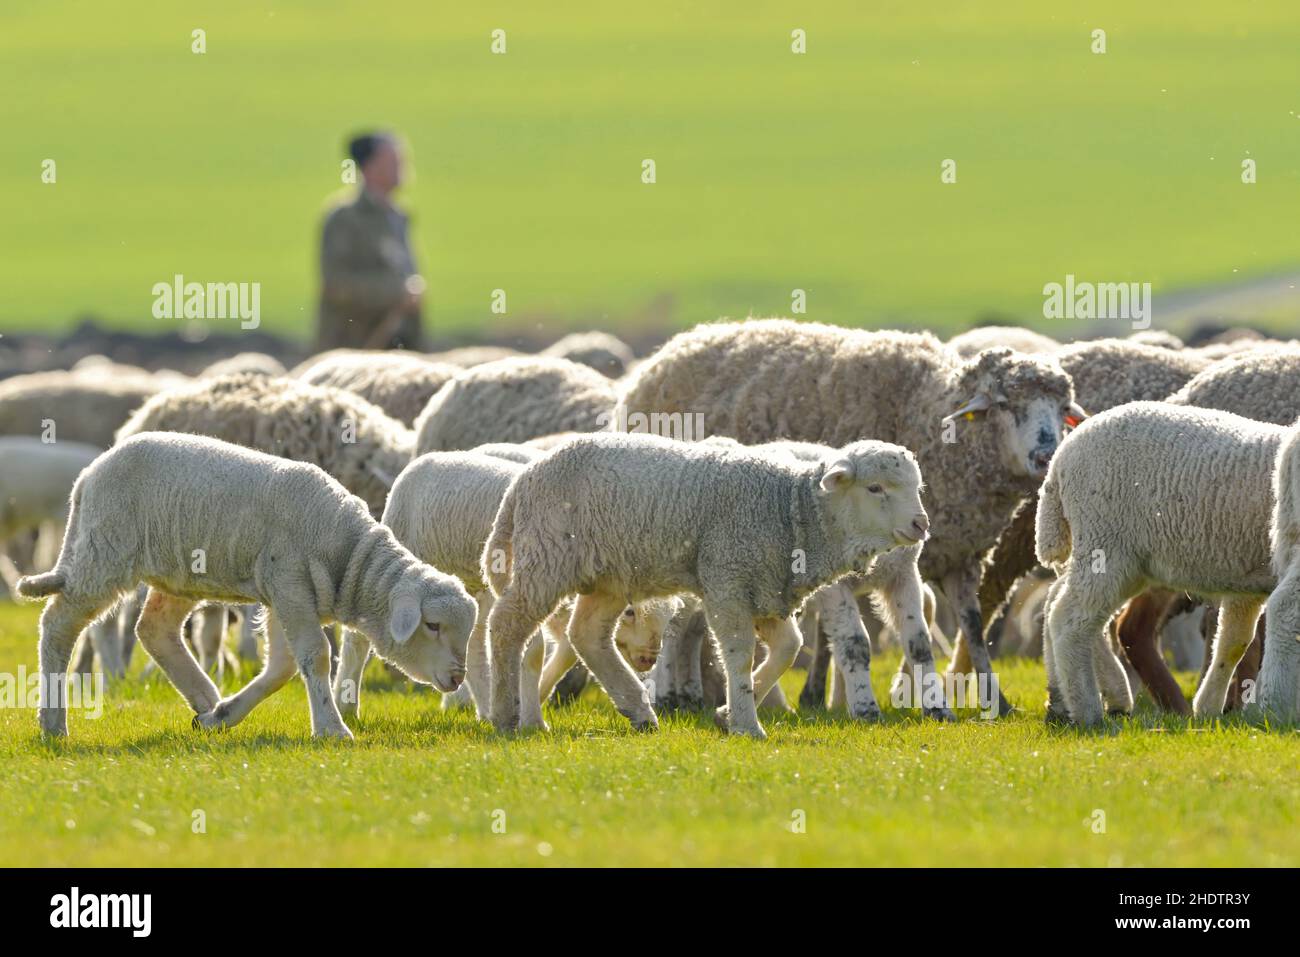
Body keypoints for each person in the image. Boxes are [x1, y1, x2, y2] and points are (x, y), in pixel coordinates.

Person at [316, 132, 425, 350]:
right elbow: (336, 285)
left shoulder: (400, 215)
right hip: (354, 347)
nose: (402, 166)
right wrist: (395, 292)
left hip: (399, 343)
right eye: (393, 160)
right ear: (369, 167)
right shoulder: (344, 217)